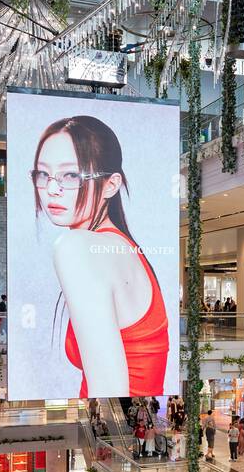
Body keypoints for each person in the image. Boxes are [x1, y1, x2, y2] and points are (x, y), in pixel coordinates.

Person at [33, 116, 169, 397]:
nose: (51, 189)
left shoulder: (76, 247)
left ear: (111, 184)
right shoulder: (125, 249)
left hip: (108, 433)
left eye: (71, 175)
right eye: (43, 174)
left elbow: (110, 395)